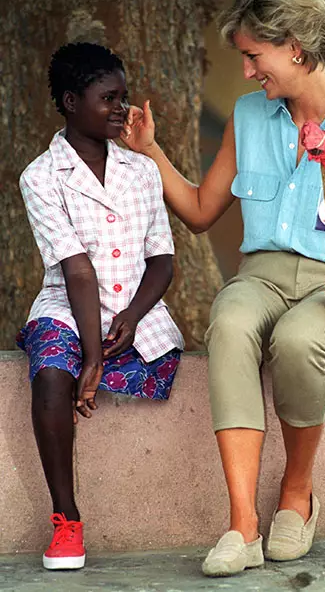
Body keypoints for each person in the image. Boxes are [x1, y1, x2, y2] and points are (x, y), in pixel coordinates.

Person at [123, 0, 325, 577]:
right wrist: (152, 153)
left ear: (296, 47)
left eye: (254, 56)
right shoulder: (250, 118)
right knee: (229, 320)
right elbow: (202, 211)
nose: (248, 72)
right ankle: (242, 525)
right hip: (263, 274)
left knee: (303, 339)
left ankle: (296, 499)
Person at [17, 42, 184, 570]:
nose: (122, 109)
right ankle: (66, 520)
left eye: (123, 96)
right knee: (50, 375)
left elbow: (163, 261)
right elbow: (77, 271)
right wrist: (91, 358)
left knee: (145, 357)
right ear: (70, 101)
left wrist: (132, 317)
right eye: (107, 98)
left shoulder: (142, 172)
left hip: (135, 307)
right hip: (68, 305)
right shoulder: (40, 177)